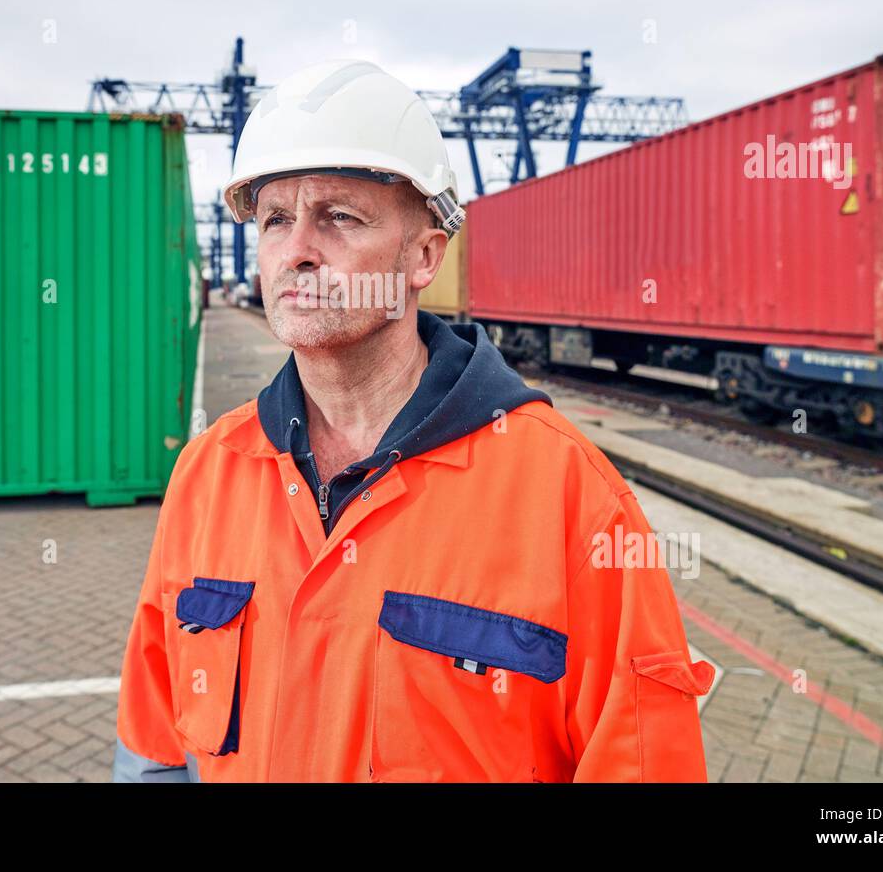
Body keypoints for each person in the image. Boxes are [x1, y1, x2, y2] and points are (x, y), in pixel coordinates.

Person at [112, 58, 712, 782]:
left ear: (423, 255)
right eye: (275, 219)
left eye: (339, 216)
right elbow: (154, 754)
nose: (297, 249)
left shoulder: (571, 500)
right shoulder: (208, 474)